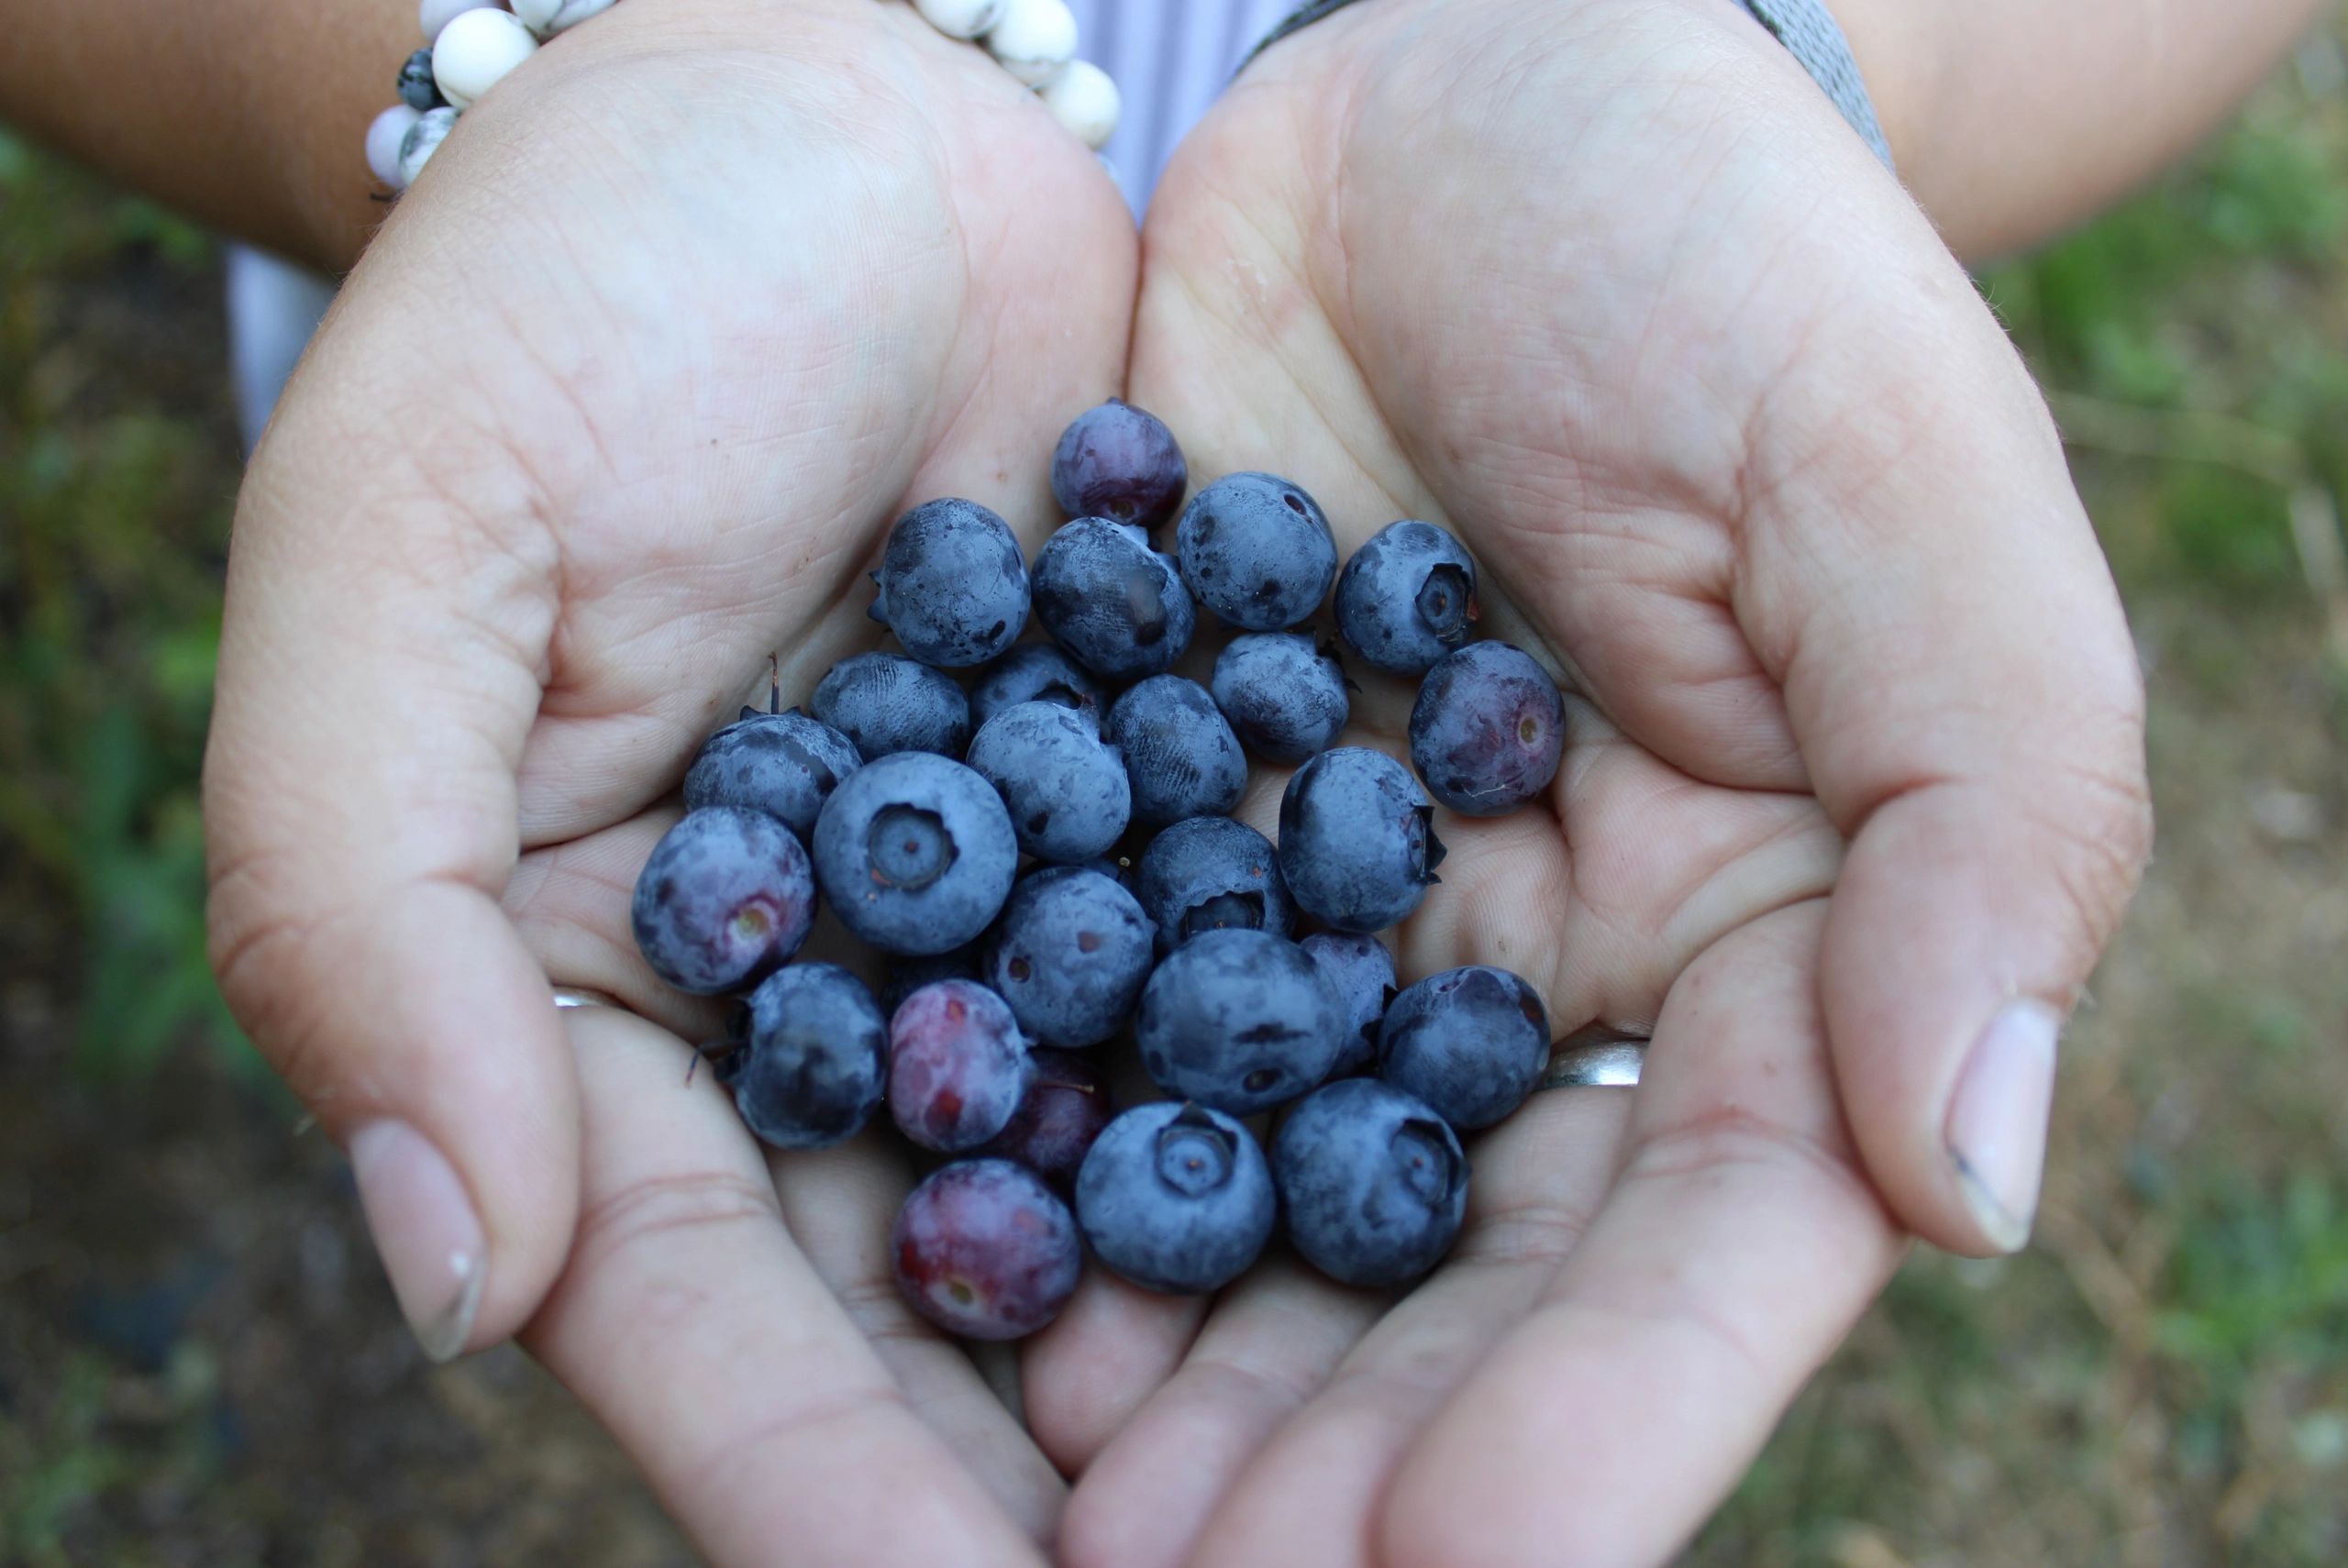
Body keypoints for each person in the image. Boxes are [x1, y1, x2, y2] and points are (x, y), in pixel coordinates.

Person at [1, 1, 2321, 1562]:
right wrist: (503, 53)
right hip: (664, 450)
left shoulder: (1242, 803)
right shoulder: (929, 783)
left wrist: (1732, 41)